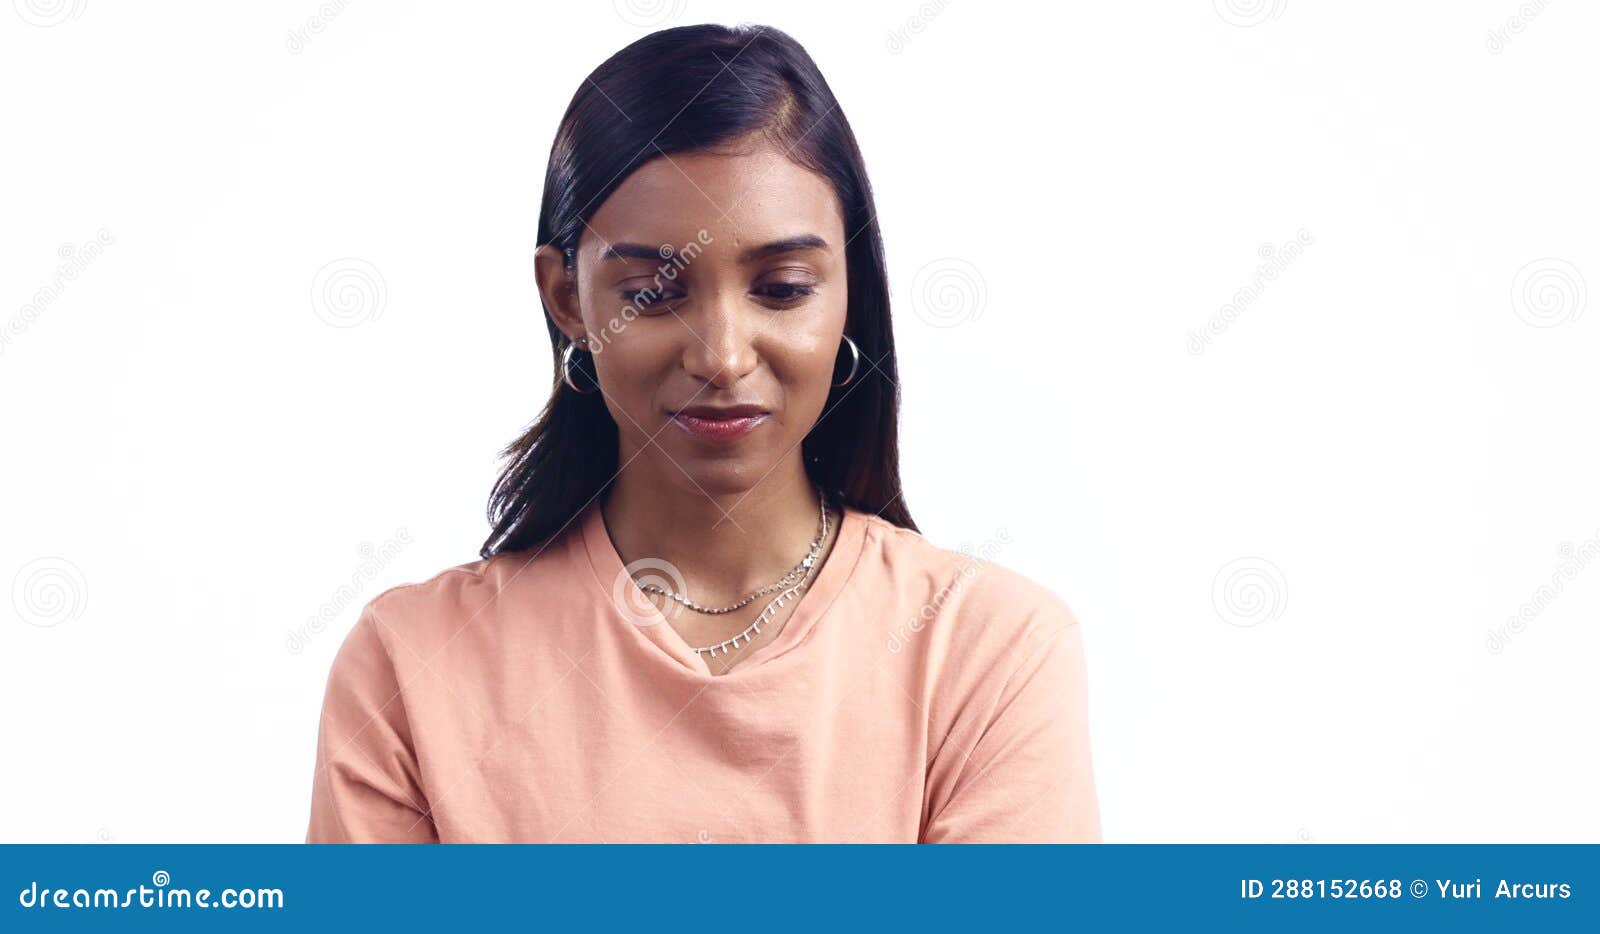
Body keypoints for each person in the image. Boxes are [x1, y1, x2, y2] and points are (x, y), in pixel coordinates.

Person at [306, 22, 1100, 843]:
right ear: (569, 300)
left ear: (849, 294)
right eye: (652, 292)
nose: (721, 356)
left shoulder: (989, 652)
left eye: (784, 288)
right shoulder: (412, 668)